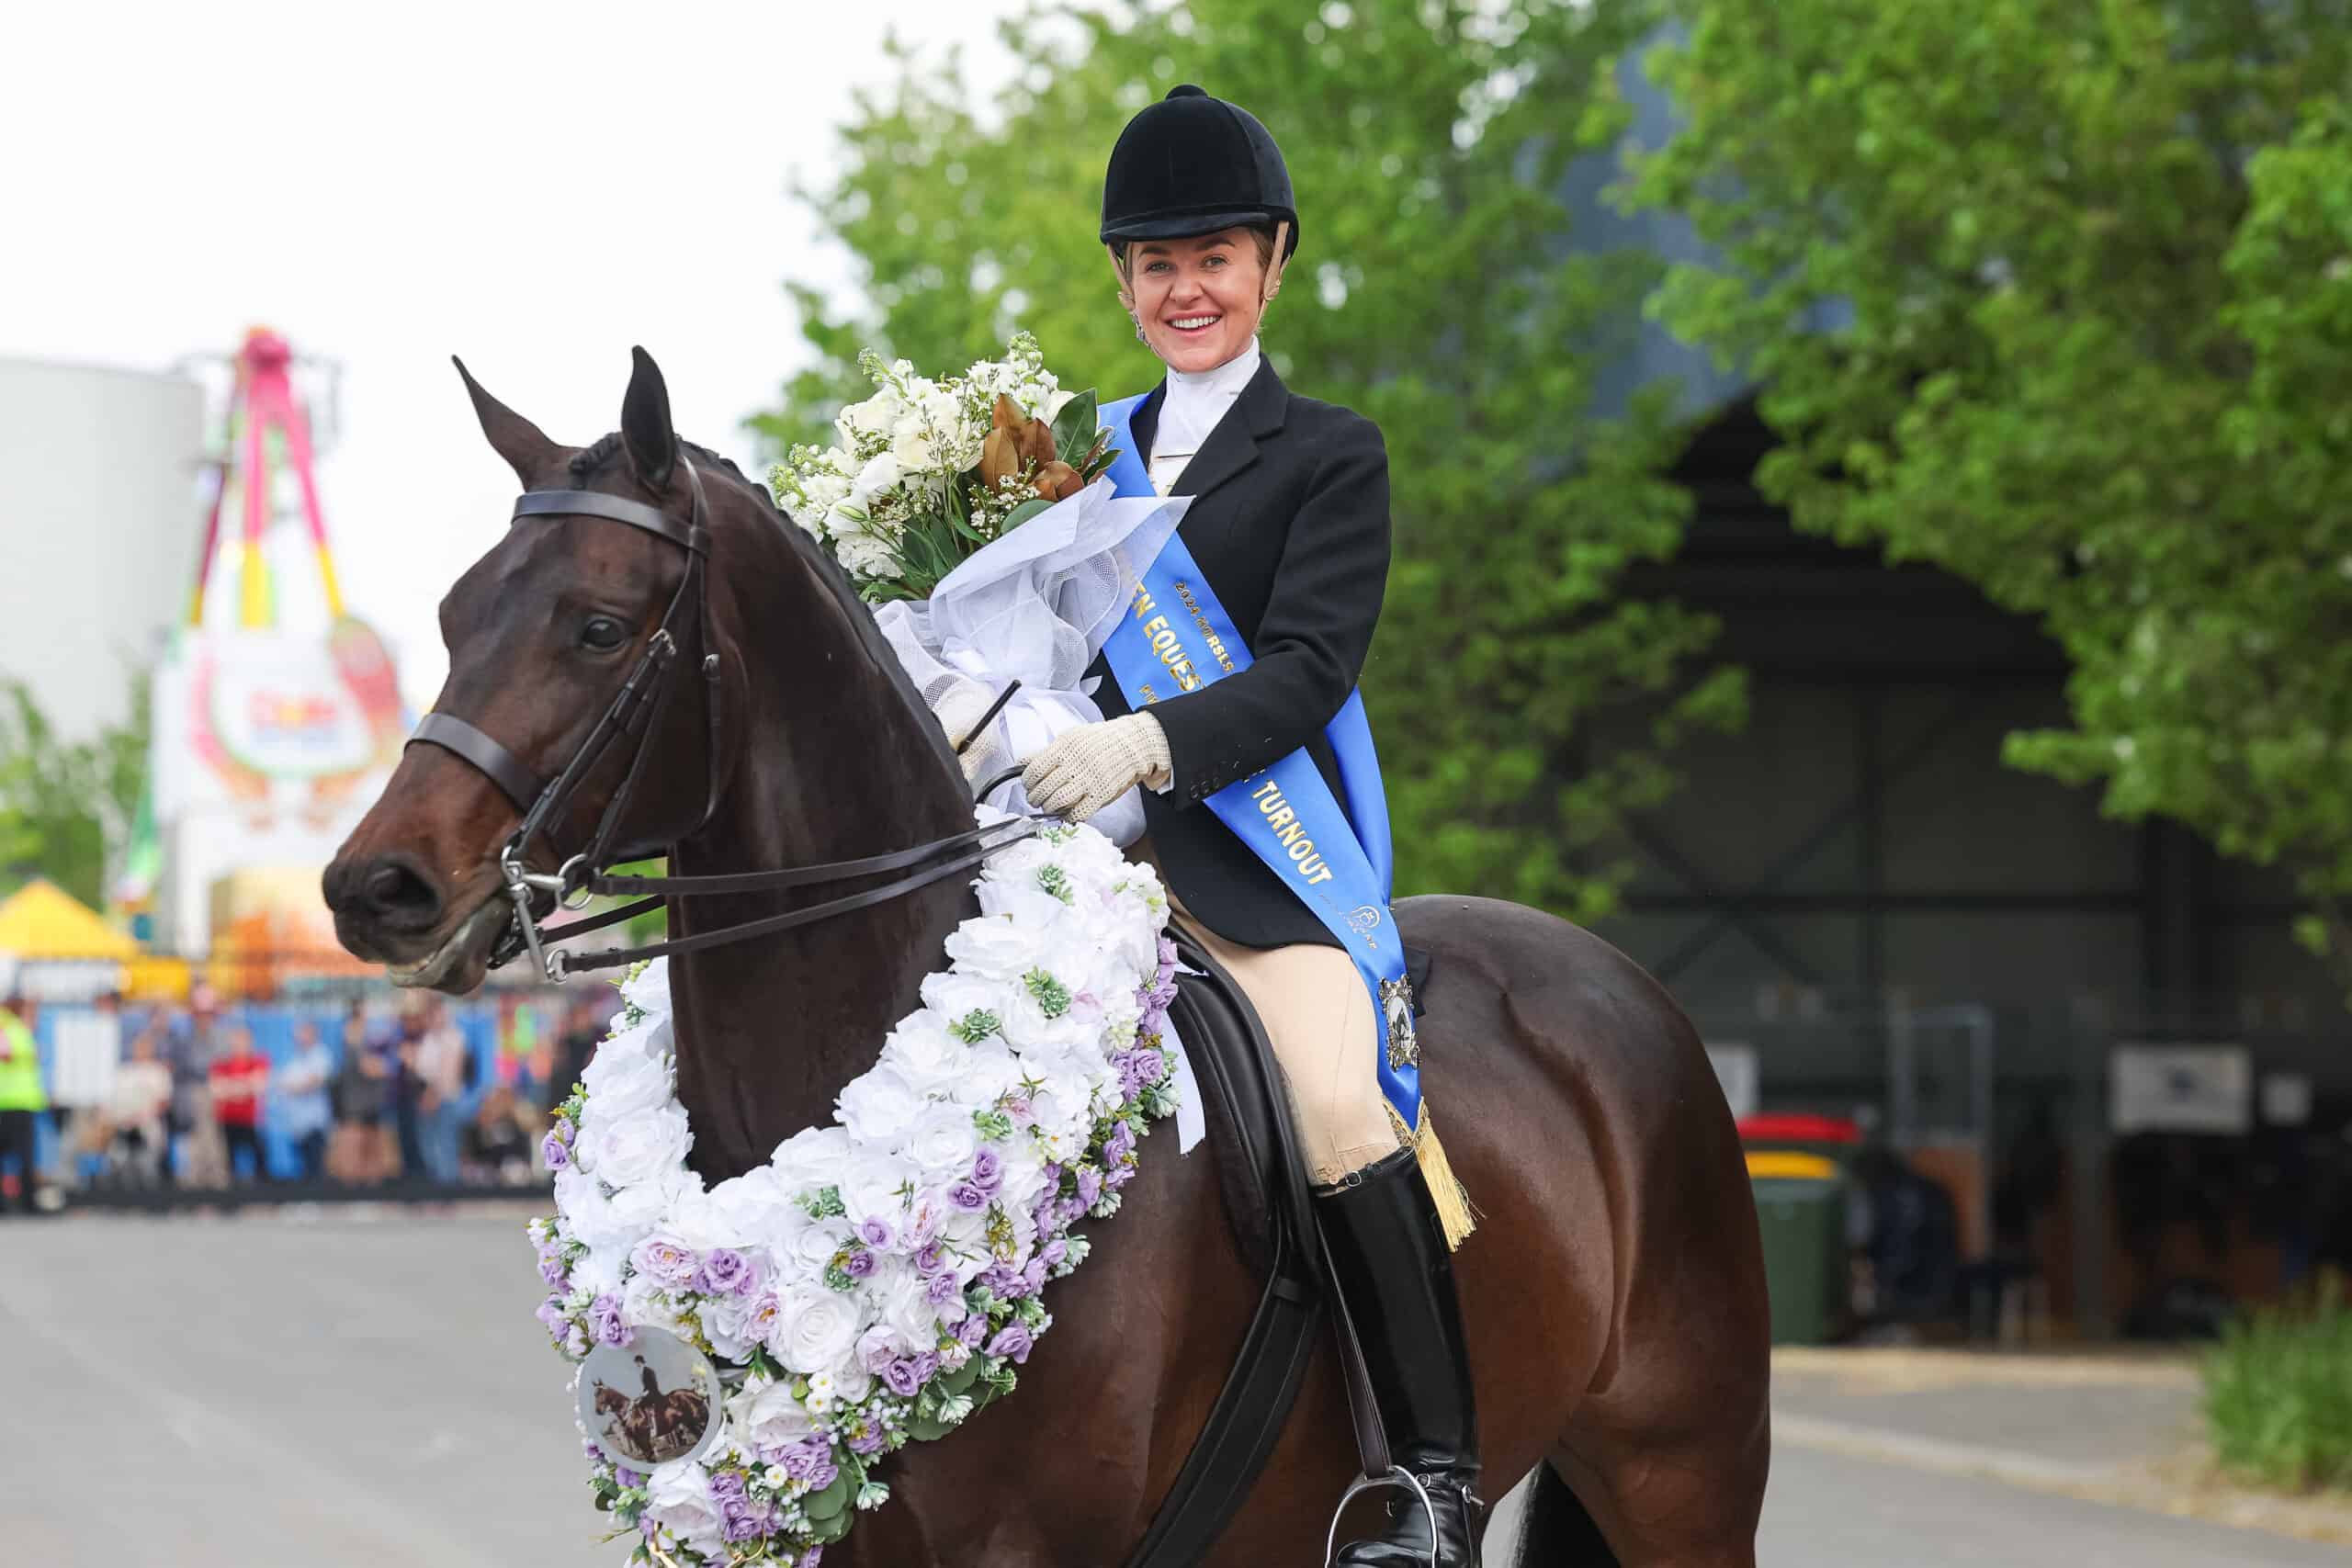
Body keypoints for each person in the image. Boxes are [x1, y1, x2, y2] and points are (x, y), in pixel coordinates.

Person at [1002, 86, 1483, 1565]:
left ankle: (1429, 1476)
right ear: (1122, 283)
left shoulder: (1332, 453)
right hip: (1056, 864)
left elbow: (1306, 669)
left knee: (1339, 1106)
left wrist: (1149, 740)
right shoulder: (1064, 455)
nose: (1183, 289)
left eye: (1211, 257)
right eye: (1152, 265)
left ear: (1271, 263)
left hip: (1251, 865)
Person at [330, 999, 397, 1183]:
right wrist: (383, 1066)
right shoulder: (350, 1039)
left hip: (371, 1101)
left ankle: (371, 1188)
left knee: (373, 1145)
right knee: (353, 1145)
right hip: (353, 1102)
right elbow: (370, 1067)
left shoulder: (370, 1039)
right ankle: (352, 1189)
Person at [105, 1022, 174, 1187]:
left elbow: (164, 1102)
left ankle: (150, 1191)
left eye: (145, 1046)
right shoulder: (124, 1072)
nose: (142, 1049)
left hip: (147, 1123)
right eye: (139, 1046)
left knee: (147, 1157)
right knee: (117, 1153)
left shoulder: (158, 1072)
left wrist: (142, 1116)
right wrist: (123, 1118)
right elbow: (113, 1101)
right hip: (122, 1124)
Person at [0, 995, 48, 1215]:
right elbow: (6, 1055)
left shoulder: (13, 1027)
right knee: (25, 1156)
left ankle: (16, 1202)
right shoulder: (9, 1026)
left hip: (14, 1101)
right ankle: (28, 1202)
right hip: (14, 1102)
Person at [413, 1000, 469, 1184]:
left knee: (445, 1144)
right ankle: (436, 1186)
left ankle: (447, 1189)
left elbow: (450, 1072)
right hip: (425, 1098)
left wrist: (434, 1095)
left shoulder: (453, 1038)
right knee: (429, 1145)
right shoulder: (428, 1037)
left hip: (444, 1099)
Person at [207, 1025, 271, 1183]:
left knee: (259, 1156)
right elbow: (216, 1090)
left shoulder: (259, 1060)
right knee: (228, 1160)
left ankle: (262, 1193)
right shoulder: (221, 1064)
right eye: (237, 1040)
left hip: (251, 1119)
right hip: (228, 1119)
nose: (240, 1044)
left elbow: (258, 1086)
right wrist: (244, 1086)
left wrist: (231, 1087)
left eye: (244, 1040)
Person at [274, 1021, 335, 1181]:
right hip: (297, 1123)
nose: (299, 1037)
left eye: (303, 1033)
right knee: (304, 1166)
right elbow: (280, 1084)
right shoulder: (295, 1059)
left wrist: (293, 1087)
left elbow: (314, 1082)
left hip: (314, 1122)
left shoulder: (321, 1054)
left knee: (316, 1164)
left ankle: (320, 1200)